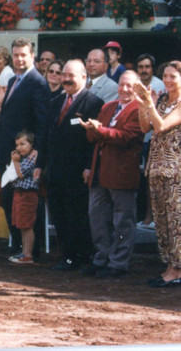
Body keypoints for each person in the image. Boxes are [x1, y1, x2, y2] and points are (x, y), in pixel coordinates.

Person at [39, 59, 104, 271]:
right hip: (55, 170)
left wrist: (88, 167)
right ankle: (67, 255)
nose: (66, 79)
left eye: (71, 76)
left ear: (84, 78)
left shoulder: (94, 103)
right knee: (59, 213)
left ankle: (81, 255)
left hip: (77, 172)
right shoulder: (55, 102)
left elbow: (95, 141)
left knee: (77, 214)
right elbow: (46, 135)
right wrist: (41, 164)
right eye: (64, 75)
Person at [80, 70, 144, 278]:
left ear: (138, 88)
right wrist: (92, 128)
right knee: (97, 217)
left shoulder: (139, 109)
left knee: (122, 220)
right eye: (122, 85)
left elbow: (127, 137)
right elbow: (92, 138)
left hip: (122, 174)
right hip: (100, 172)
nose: (125, 89)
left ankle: (118, 262)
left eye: (130, 86)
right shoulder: (108, 107)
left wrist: (100, 130)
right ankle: (102, 258)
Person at [0, 38, 51, 256]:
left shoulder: (37, 82)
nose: (19, 59)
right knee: (10, 201)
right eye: (16, 55)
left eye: (23, 55)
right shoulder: (15, 80)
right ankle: (17, 246)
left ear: (32, 56)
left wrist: (37, 151)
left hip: (24, 156)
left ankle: (29, 250)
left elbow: (42, 121)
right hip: (8, 154)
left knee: (25, 203)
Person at [133, 60, 181, 287]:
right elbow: (146, 127)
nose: (169, 81)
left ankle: (177, 270)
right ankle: (170, 267)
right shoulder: (162, 100)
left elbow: (162, 126)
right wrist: (144, 103)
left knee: (176, 222)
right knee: (162, 221)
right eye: (166, 76)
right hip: (156, 168)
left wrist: (150, 106)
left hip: (176, 171)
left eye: (173, 77)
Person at [8, 131, 40, 265]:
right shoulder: (23, 157)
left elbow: (21, 174)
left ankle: (28, 254)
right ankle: (24, 252)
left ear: (31, 144)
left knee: (27, 225)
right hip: (19, 192)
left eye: (23, 144)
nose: (19, 148)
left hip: (28, 194)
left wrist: (15, 161)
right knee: (21, 224)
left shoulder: (34, 156)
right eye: (17, 145)